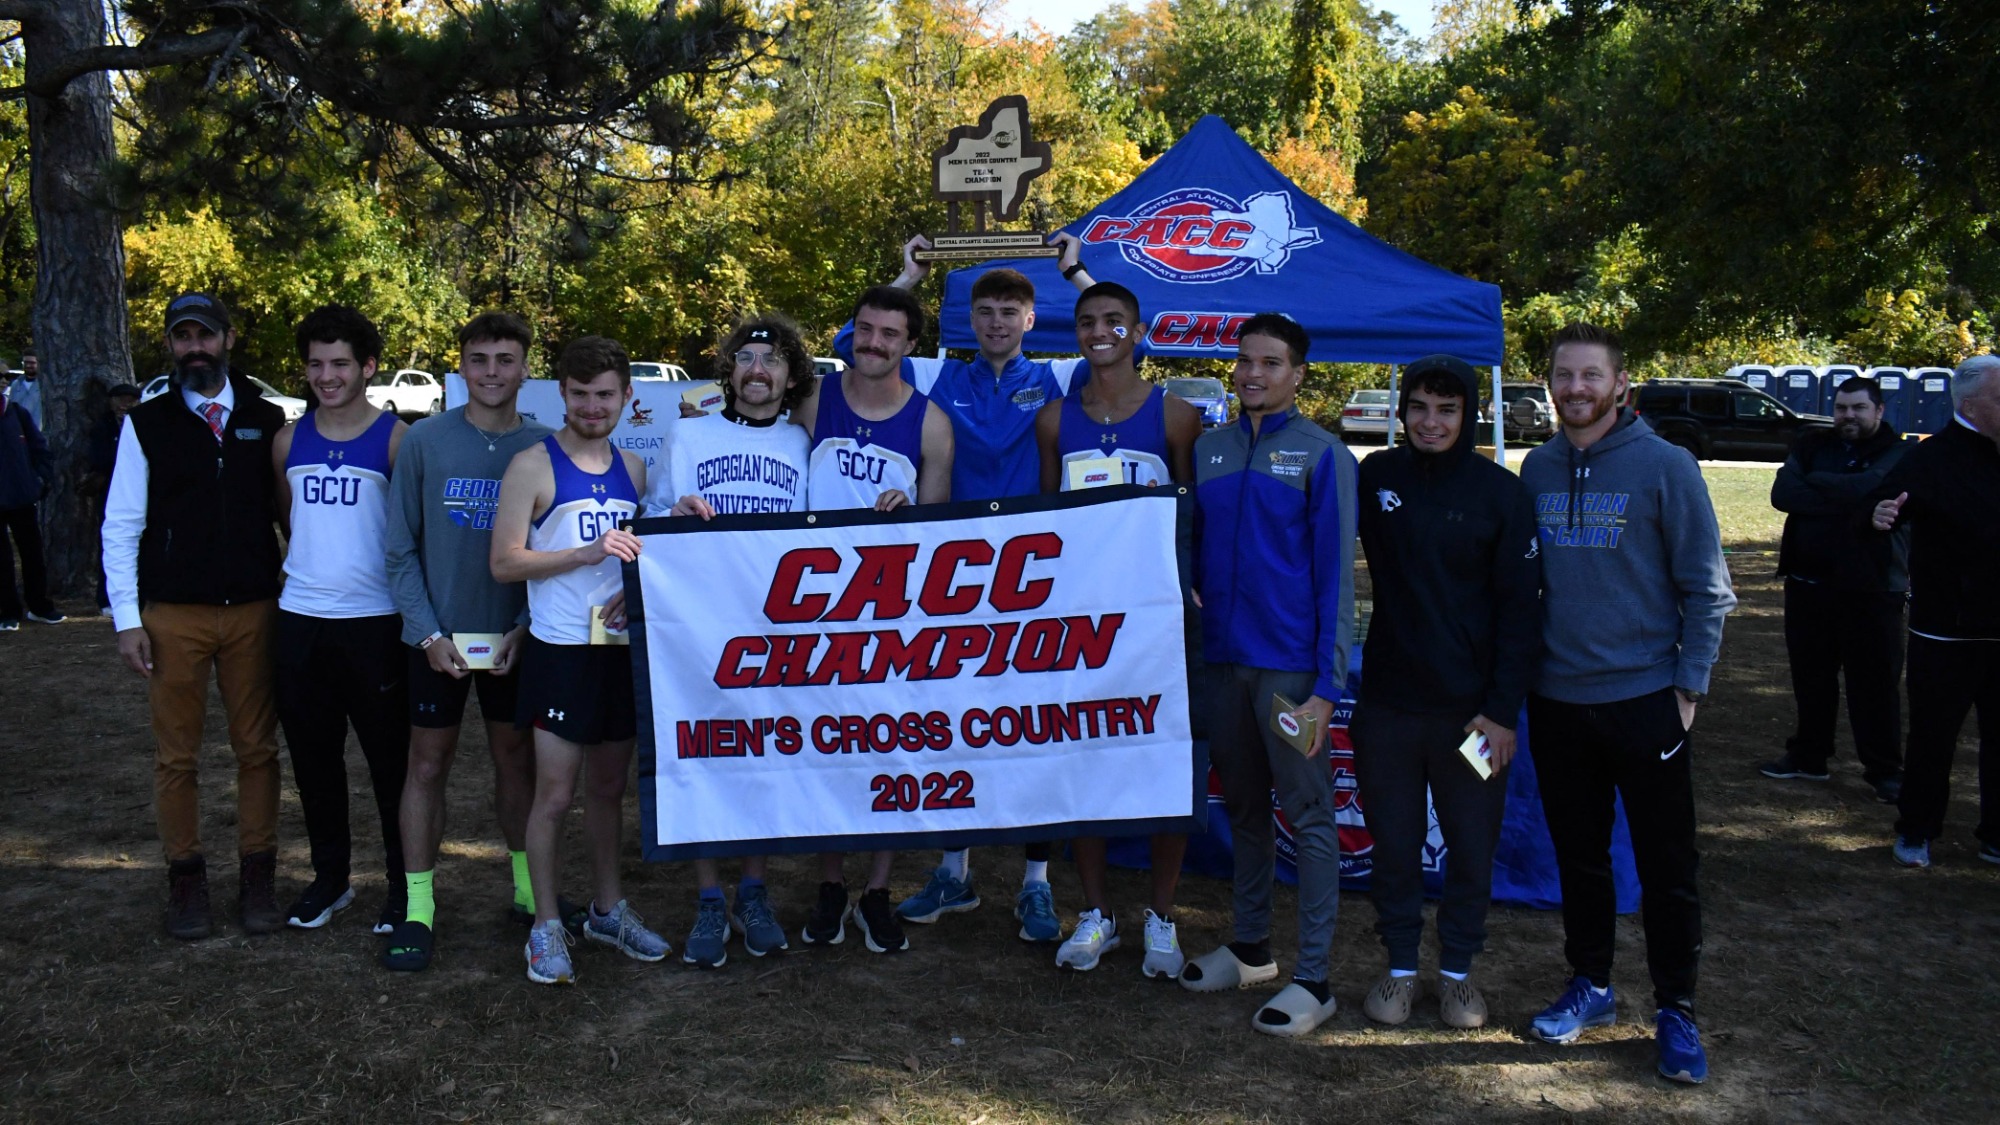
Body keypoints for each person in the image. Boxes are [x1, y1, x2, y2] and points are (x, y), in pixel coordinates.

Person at [844, 234, 1093, 941]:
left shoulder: (1056, 374)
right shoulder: (938, 376)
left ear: (1030, 316)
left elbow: (1125, 339)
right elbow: (851, 342)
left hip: (1032, 574)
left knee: (1037, 725)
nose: (995, 322)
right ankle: (955, 871)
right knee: (956, 721)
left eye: (1009, 310)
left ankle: (1037, 882)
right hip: (950, 576)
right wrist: (908, 273)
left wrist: (1076, 272)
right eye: (984, 310)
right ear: (968, 318)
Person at [1521, 323, 1735, 1085]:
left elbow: (1707, 587)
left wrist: (1688, 689)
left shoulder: (1664, 466)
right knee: (1580, 859)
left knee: (1667, 863)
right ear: (1548, 383)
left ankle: (1677, 1006)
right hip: (1557, 702)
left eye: (1590, 375)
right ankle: (1593, 984)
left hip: (1647, 701)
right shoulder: (1538, 468)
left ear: (1620, 383)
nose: (1575, 388)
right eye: (1562, 375)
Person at [1177, 312, 1356, 1038]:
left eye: (1271, 362)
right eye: (1245, 361)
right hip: (1222, 661)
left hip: (1288, 670)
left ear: (1298, 372)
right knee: (1245, 810)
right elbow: (1191, 541)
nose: (1254, 373)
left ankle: (1314, 976)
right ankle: (1251, 946)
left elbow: (1337, 580)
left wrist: (1326, 686)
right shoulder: (1211, 448)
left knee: (1309, 818)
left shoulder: (1323, 454)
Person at [1351, 354, 1541, 1030]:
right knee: (1395, 845)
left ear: (1469, 415)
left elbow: (1522, 611)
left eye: (1447, 409)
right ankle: (1402, 968)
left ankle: (1458, 972)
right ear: (1402, 412)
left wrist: (1501, 711)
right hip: (1388, 709)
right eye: (1420, 408)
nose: (1432, 421)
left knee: (1470, 844)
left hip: (1474, 718)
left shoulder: (1502, 492)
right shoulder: (1374, 477)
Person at [380, 312, 564, 973]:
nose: (491, 372)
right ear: (460, 365)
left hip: (517, 638)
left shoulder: (547, 446)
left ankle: (525, 888)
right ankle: (419, 905)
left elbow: (552, 550)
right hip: (437, 639)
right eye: (479, 359)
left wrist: (523, 626)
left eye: (505, 359)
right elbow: (399, 550)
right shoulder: (425, 441)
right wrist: (427, 632)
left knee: (517, 764)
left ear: (524, 368)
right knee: (426, 766)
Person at [102, 293, 287, 939]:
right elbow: (121, 524)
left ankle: (258, 876)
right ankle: (186, 881)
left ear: (229, 339)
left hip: (254, 611)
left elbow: (291, 517)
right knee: (176, 757)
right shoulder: (146, 423)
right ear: (171, 346)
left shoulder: (268, 420)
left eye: (204, 335)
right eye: (182, 338)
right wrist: (128, 618)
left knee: (257, 749)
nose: (194, 348)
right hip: (172, 615)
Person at [634, 315, 816, 967]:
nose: (758, 368)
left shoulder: (803, 442)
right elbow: (650, 515)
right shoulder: (686, 433)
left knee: (761, 757)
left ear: (791, 374)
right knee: (703, 756)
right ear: (730, 371)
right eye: (746, 357)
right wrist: (670, 514)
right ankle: (710, 897)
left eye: (772, 359)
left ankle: (754, 891)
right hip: (699, 621)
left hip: (774, 626)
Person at [1033, 280, 1199, 978]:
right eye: (1087, 321)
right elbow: (1046, 524)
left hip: (1159, 623)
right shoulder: (1052, 420)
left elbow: (1195, 516)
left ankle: (1161, 915)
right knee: (1086, 765)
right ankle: (1096, 912)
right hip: (1084, 625)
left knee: (1164, 762)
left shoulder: (1179, 416)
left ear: (1137, 331)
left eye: (1113, 321)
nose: (1099, 331)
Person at [493, 335, 670, 985]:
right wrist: (584, 553)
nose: (592, 406)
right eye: (579, 394)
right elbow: (505, 560)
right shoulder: (532, 466)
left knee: (607, 790)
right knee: (556, 793)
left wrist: (635, 581)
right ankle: (544, 924)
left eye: (605, 394)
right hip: (559, 651)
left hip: (617, 652)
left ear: (627, 396)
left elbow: (637, 551)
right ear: (560, 394)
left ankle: (606, 908)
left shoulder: (634, 466)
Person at [787, 286, 953, 957]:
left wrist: (908, 512)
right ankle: (831, 883)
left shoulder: (932, 423)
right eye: (866, 330)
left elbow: (937, 535)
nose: (875, 343)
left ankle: (877, 889)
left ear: (910, 345)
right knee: (824, 742)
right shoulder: (813, 400)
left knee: (889, 745)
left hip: (891, 613)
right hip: (812, 606)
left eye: (890, 334)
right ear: (850, 333)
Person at [270, 305, 412, 931]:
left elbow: (410, 536)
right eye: (316, 364)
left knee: (391, 766)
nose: (326, 376)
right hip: (301, 623)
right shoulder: (285, 440)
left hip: (375, 624)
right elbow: (289, 520)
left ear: (368, 367)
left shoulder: (397, 438)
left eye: (340, 364)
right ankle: (331, 881)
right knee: (314, 761)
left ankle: (405, 888)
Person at [1871, 355, 2000, 870]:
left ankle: (1996, 835)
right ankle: (1917, 829)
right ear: (1972, 404)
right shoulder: (1931, 457)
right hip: (1947, 631)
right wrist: (1877, 515)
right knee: (1933, 737)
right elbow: (1881, 505)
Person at [1761, 376, 1909, 801]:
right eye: (1842, 407)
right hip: (1808, 583)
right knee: (1811, 678)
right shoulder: (1811, 443)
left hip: (1873, 589)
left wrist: (1820, 483)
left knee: (1875, 684)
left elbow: (1878, 487)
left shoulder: (1901, 452)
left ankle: (1884, 770)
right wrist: (1857, 500)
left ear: (1878, 411)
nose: (1848, 416)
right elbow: (1783, 493)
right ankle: (1809, 756)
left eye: (1858, 408)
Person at [0, 379, 58, 631]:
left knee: (33, 554)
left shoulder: (16, 413)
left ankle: (40, 607)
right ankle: (7, 612)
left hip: (22, 497)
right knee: (1, 559)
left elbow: (39, 448)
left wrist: (39, 480)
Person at [89, 383, 142, 616]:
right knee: (112, 543)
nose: (125, 404)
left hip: (139, 492)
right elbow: (100, 459)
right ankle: (106, 597)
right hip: (110, 491)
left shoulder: (145, 424)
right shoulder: (103, 426)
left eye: (130, 399)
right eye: (120, 399)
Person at [8, 350, 40, 430]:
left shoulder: (44, 385)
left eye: (32, 363)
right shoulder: (16, 384)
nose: (28, 365)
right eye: (26, 362)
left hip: (38, 434)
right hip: (18, 432)